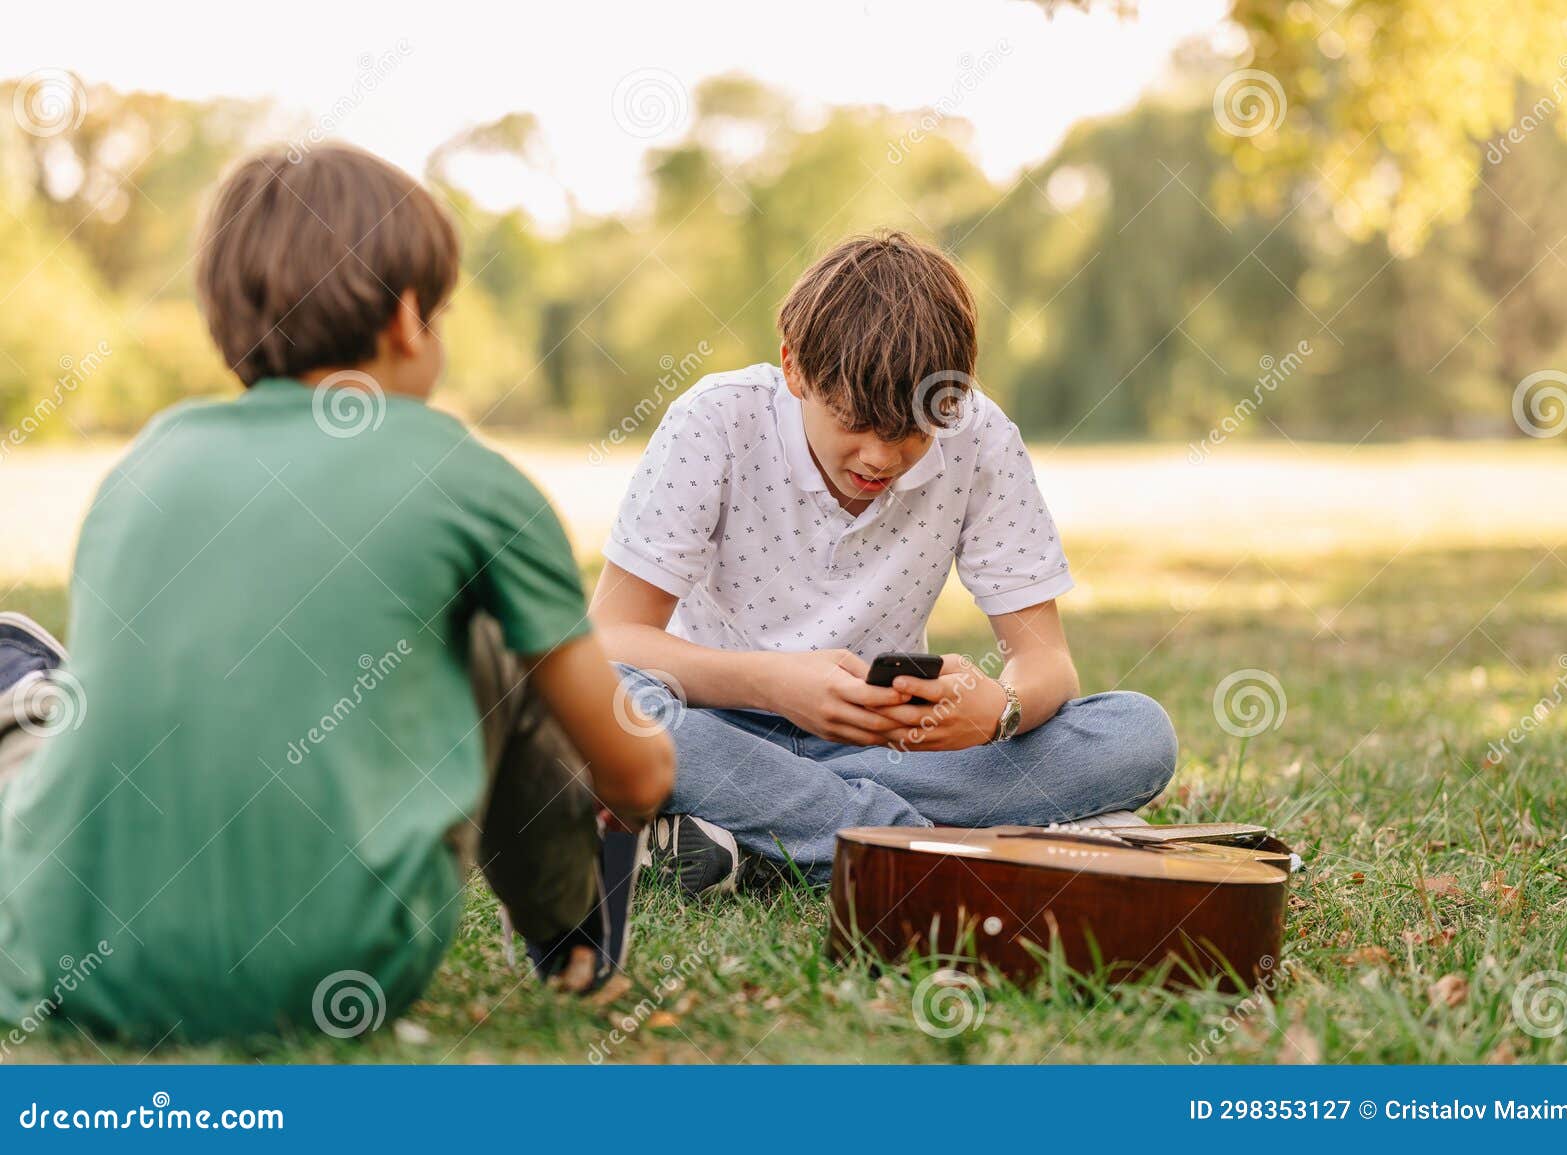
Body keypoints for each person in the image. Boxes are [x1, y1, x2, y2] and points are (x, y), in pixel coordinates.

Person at [0, 143, 673, 1042]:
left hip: (56, 952)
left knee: (44, 715)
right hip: (336, 962)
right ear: (406, 320)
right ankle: (572, 943)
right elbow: (639, 775)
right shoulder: (467, 478)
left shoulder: (146, 463)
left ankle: (28, 690)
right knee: (502, 639)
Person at [591, 231, 1177, 893]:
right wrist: (773, 683)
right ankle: (908, 841)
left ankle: (751, 834)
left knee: (1136, 734)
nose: (879, 457)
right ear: (794, 368)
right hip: (717, 723)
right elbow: (610, 638)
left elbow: (1047, 659)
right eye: (854, 421)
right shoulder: (715, 422)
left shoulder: (981, 439)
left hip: (890, 748)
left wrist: (1002, 709)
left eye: (909, 433)